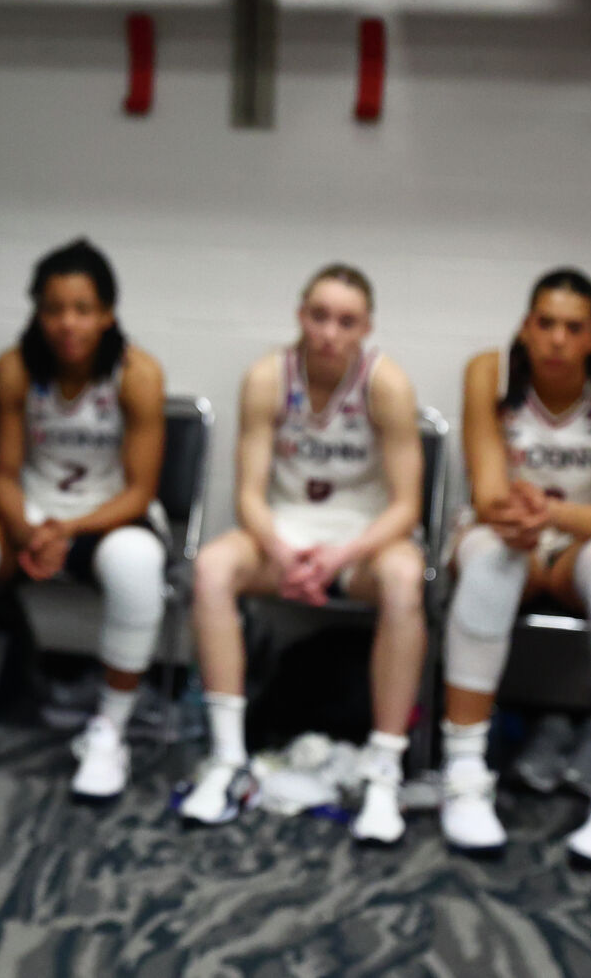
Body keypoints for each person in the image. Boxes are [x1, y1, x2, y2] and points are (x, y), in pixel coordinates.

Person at [181, 264, 424, 844]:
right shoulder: (268, 377)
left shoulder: (387, 384)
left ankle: (383, 769)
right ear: (300, 316)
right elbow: (248, 494)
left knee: (405, 579)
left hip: (360, 542)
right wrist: (282, 551)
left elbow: (406, 506)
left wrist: (341, 556)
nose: (330, 333)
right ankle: (228, 757)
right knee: (212, 566)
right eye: (319, 317)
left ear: (366, 327)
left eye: (346, 321)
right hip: (284, 534)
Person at [0, 239, 167, 801]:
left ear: (107, 314)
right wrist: (31, 532)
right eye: (53, 308)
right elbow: (3, 478)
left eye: (82, 309)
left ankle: (110, 732)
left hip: (107, 518)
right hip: (31, 514)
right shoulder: (15, 368)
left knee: (138, 563)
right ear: (37, 311)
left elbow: (140, 491)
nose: (67, 323)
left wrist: (68, 533)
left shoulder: (137, 374)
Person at [436, 269, 591, 867]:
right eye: (546, 323)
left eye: (573, 327)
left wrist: (553, 513)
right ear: (525, 328)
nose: (558, 339)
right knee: (490, 560)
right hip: (510, 530)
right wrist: (519, 517)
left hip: (585, 539)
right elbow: (487, 492)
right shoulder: (490, 372)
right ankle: (464, 773)